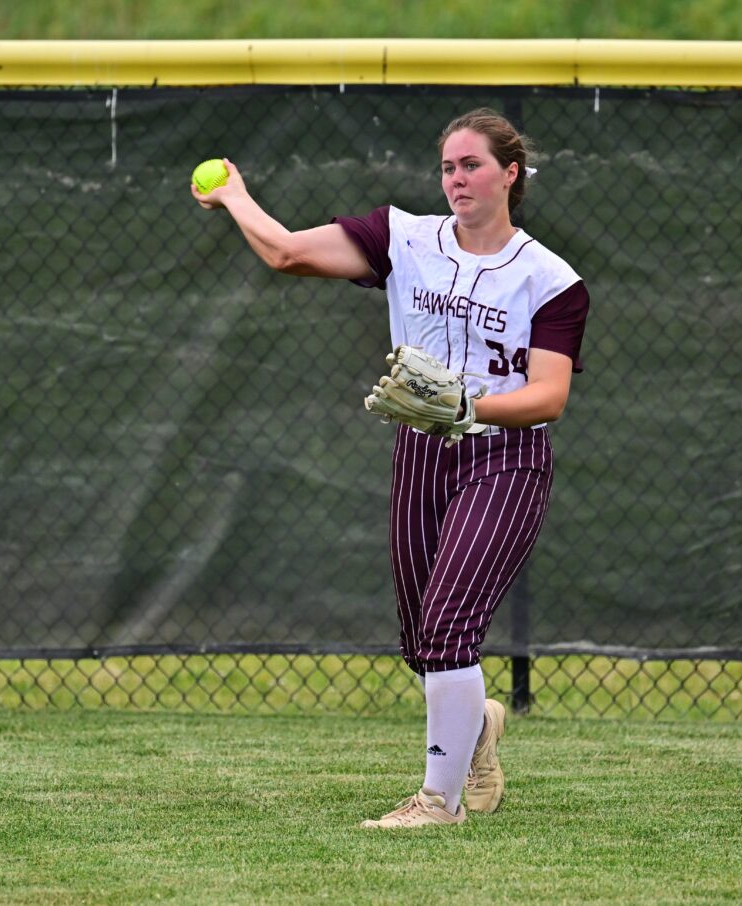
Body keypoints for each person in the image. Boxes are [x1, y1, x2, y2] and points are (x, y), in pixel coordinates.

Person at [194, 108, 589, 826]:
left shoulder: (550, 279)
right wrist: (235, 197)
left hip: (504, 458)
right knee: (422, 642)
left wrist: (468, 403)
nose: (456, 179)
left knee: (447, 627)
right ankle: (475, 732)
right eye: (447, 166)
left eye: (471, 165)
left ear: (511, 173)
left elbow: (549, 395)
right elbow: (285, 253)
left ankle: (438, 802)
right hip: (420, 449)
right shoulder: (405, 237)